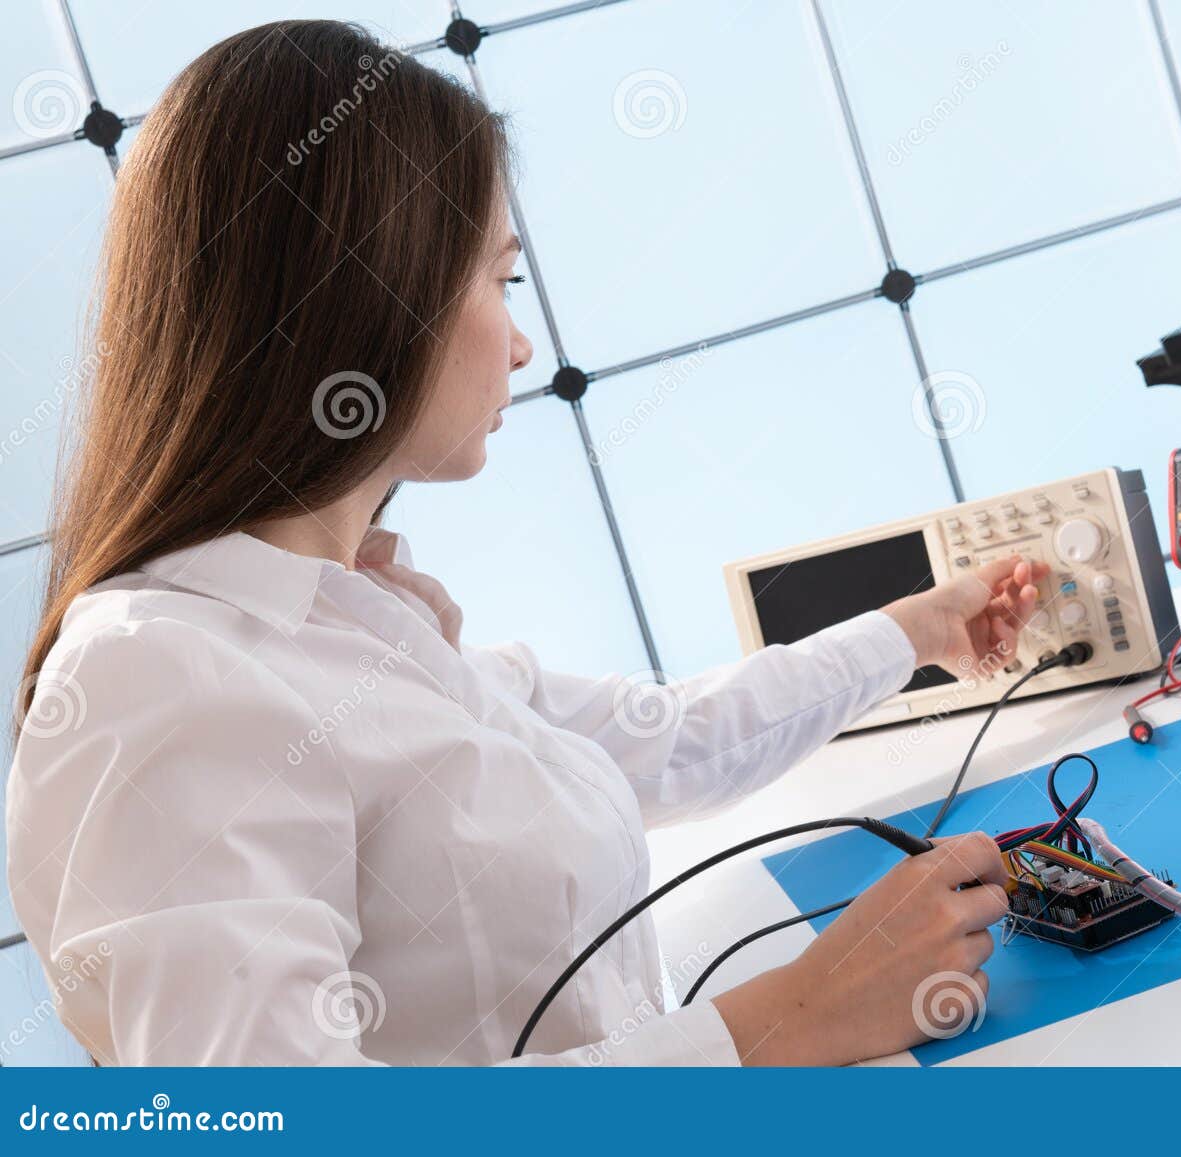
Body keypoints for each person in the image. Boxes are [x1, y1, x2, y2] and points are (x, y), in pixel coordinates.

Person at [5, 20, 1046, 1066]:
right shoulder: (158, 675)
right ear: (368, 289)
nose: (520, 342)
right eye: (498, 281)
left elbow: (670, 739)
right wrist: (784, 1018)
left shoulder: (363, 623)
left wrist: (917, 630)